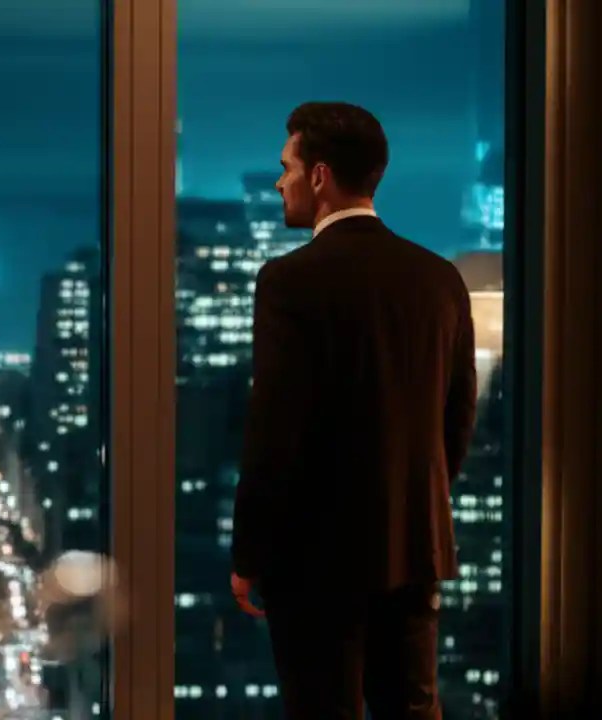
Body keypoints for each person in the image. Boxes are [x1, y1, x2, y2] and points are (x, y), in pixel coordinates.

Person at [230, 102, 478, 720]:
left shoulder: (288, 281)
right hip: (413, 545)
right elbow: (457, 418)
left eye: (286, 167)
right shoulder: (440, 278)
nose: (278, 182)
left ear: (319, 176)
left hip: (314, 556)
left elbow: (274, 430)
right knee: (412, 709)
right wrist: (415, 505)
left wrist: (249, 553)